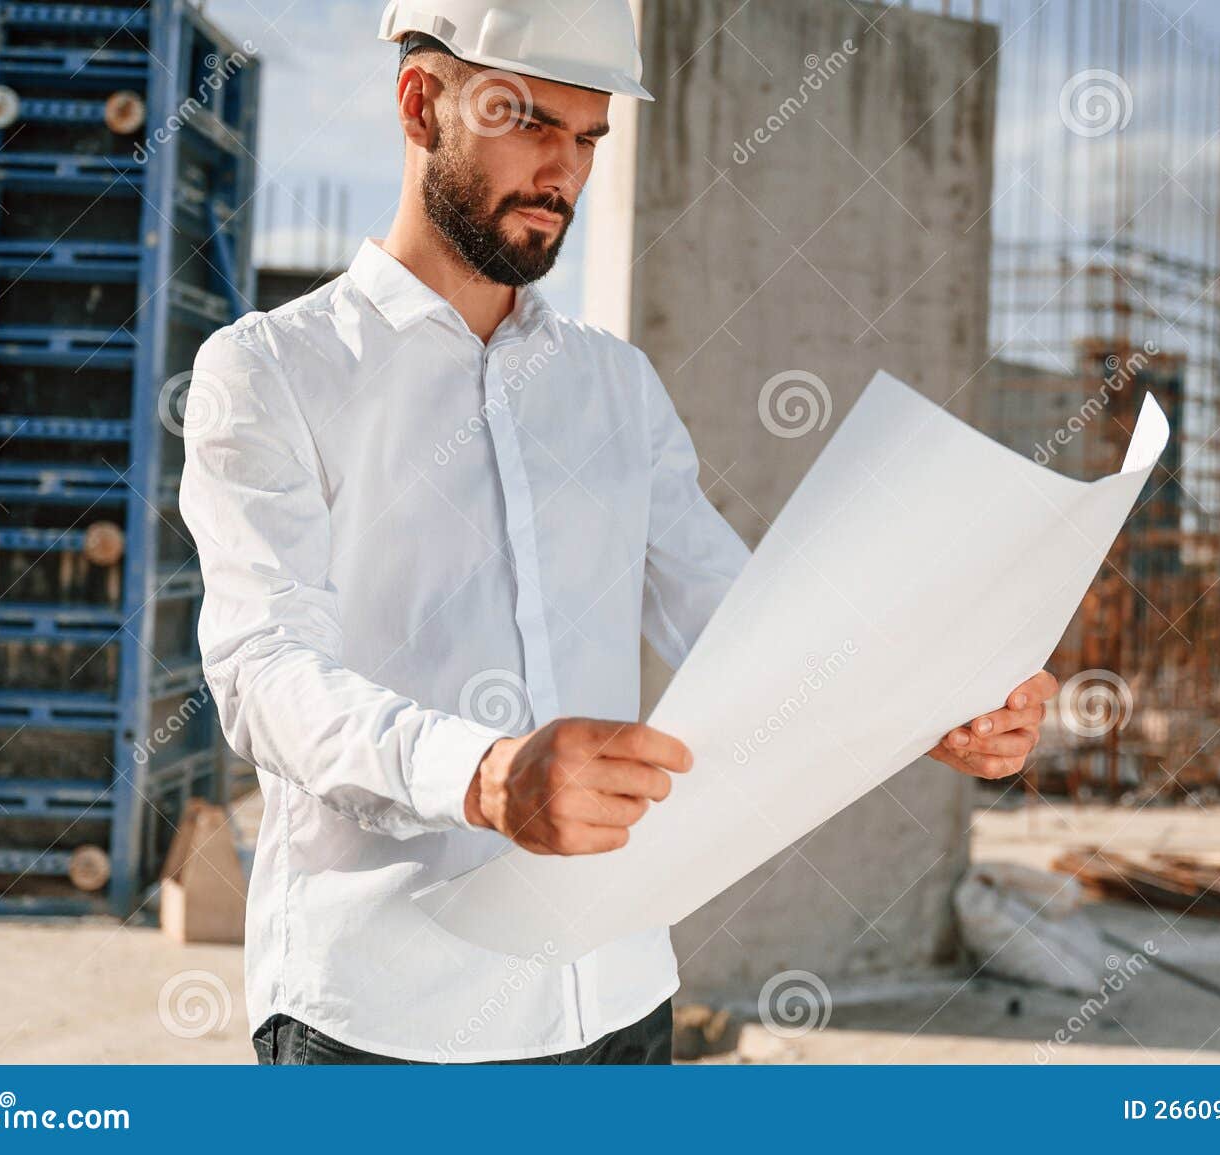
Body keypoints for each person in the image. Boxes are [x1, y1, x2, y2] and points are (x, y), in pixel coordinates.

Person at [178, 0, 1059, 1066]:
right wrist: (486, 775)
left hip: (616, 999)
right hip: (384, 1021)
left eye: (587, 138)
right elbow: (263, 670)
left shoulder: (612, 384)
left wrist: (933, 699)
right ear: (422, 104)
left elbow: (737, 621)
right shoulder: (271, 370)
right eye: (530, 122)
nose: (563, 171)